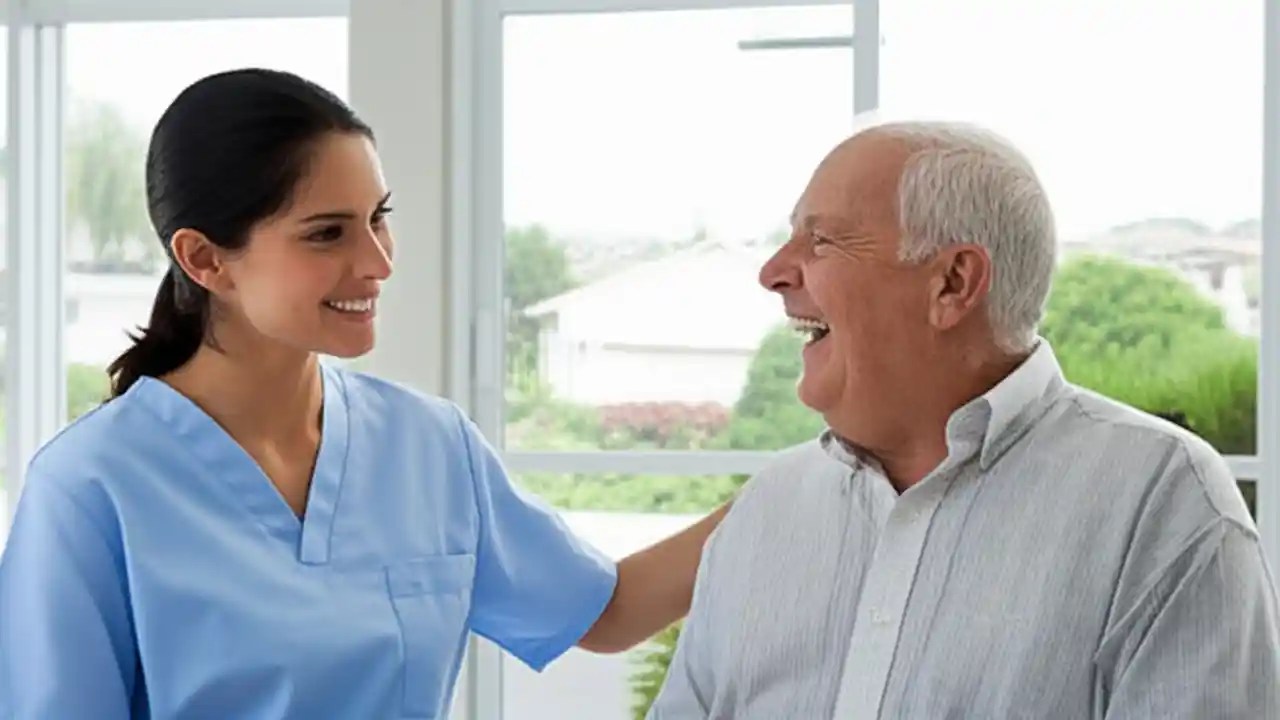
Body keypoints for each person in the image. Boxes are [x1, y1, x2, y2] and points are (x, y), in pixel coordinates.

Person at [0, 68, 729, 720]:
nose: (377, 262)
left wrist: (801, 490)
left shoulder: (429, 445)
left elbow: (603, 611)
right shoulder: (93, 486)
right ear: (205, 258)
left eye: (379, 217)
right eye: (327, 234)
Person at [647, 121, 1280, 718]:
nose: (773, 271)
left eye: (822, 240)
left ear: (953, 282)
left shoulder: (1164, 503)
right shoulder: (767, 511)